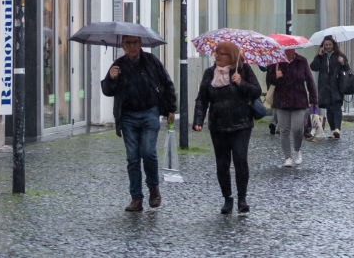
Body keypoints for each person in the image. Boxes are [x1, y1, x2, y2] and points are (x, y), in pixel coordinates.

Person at [100, 35, 178, 212]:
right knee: (132, 158)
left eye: (135, 42)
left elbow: (167, 83)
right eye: (128, 43)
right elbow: (107, 90)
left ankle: (153, 188)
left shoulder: (151, 61)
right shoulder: (118, 64)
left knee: (148, 152)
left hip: (149, 112)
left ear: (140, 44)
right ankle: (136, 197)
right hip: (127, 116)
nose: (132, 46)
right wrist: (111, 79)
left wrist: (171, 108)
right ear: (123, 45)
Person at [193, 42, 261, 214]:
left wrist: (241, 83)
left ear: (231, 56)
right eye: (216, 53)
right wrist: (198, 120)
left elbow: (256, 91)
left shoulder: (244, 70)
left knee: (240, 161)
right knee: (222, 164)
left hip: (241, 125)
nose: (216, 56)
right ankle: (227, 198)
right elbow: (202, 98)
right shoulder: (210, 73)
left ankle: (242, 199)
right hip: (218, 125)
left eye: (221, 54)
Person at [266, 47, 316, 167]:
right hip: (281, 100)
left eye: (289, 52)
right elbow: (269, 79)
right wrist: (276, 76)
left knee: (297, 128)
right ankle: (287, 157)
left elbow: (309, 80)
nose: (287, 54)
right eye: (285, 52)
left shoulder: (302, 61)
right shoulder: (276, 61)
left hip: (299, 100)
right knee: (284, 130)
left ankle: (297, 150)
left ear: (293, 51)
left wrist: (313, 99)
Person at [311, 36, 348, 139]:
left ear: (334, 45)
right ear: (323, 46)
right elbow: (314, 67)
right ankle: (332, 130)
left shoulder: (340, 56)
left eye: (330, 45)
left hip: (336, 86)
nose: (328, 47)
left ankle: (337, 129)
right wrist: (318, 56)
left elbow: (347, 69)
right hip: (324, 86)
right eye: (326, 45)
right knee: (329, 109)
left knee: (336, 107)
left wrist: (342, 63)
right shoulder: (321, 56)